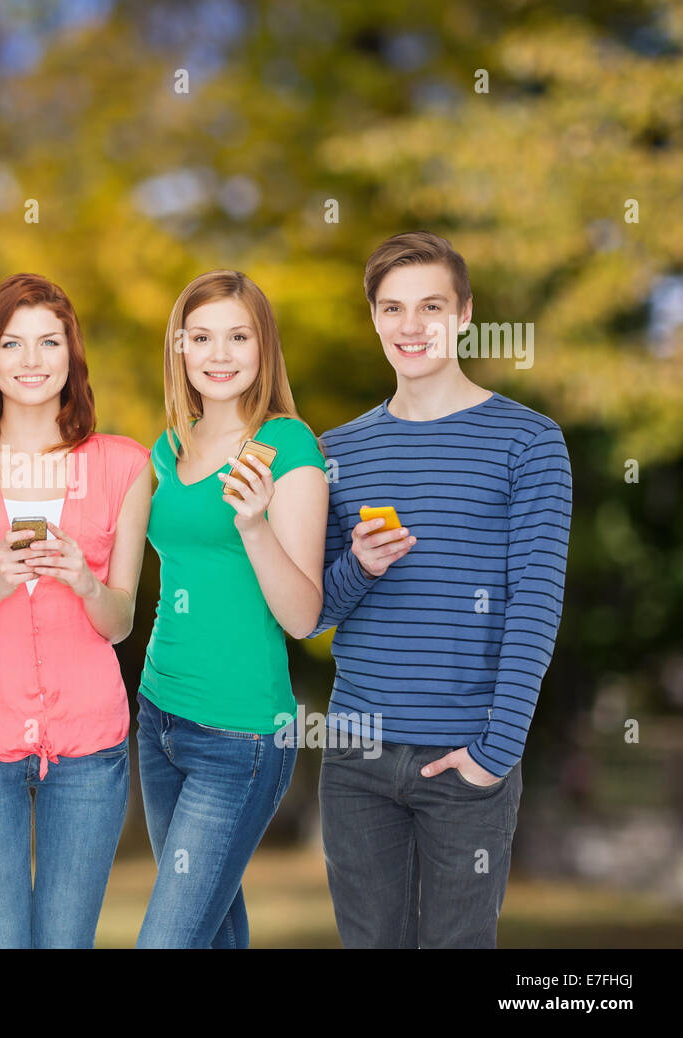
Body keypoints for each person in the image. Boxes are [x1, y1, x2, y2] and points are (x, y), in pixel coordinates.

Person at [310, 230, 572, 948]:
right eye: (392, 308)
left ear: (464, 315)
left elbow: (537, 602)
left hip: (466, 756)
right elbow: (311, 617)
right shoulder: (337, 451)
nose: (410, 326)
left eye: (430, 307)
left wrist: (496, 752)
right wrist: (359, 566)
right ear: (374, 319)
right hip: (356, 755)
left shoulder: (529, 441)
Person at [0, 273, 151, 947]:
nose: (32, 360)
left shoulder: (125, 467)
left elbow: (120, 621)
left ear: (72, 356)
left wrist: (83, 579)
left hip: (90, 743)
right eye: (13, 344)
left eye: (49, 342)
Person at [136, 269, 328, 948]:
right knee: (212, 932)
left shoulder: (289, 447)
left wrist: (253, 524)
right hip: (159, 718)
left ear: (263, 347)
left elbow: (304, 615)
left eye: (238, 336)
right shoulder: (170, 446)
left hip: (241, 736)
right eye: (203, 337)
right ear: (180, 349)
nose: (220, 354)